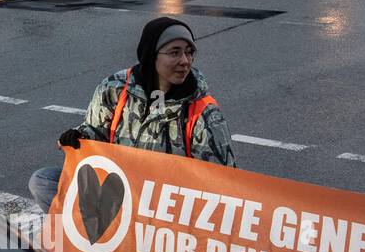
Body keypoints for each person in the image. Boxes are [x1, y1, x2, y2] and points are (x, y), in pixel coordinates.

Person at [28, 17, 235, 211]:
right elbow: (95, 131)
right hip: (116, 195)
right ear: (151, 55)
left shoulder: (204, 112)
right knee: (44, 181)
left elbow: (222, 184)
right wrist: (78, 137)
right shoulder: (115, 88)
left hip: (164, 210)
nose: (185, 61)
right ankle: (96, 237)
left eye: (189, 52)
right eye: (175, 53)